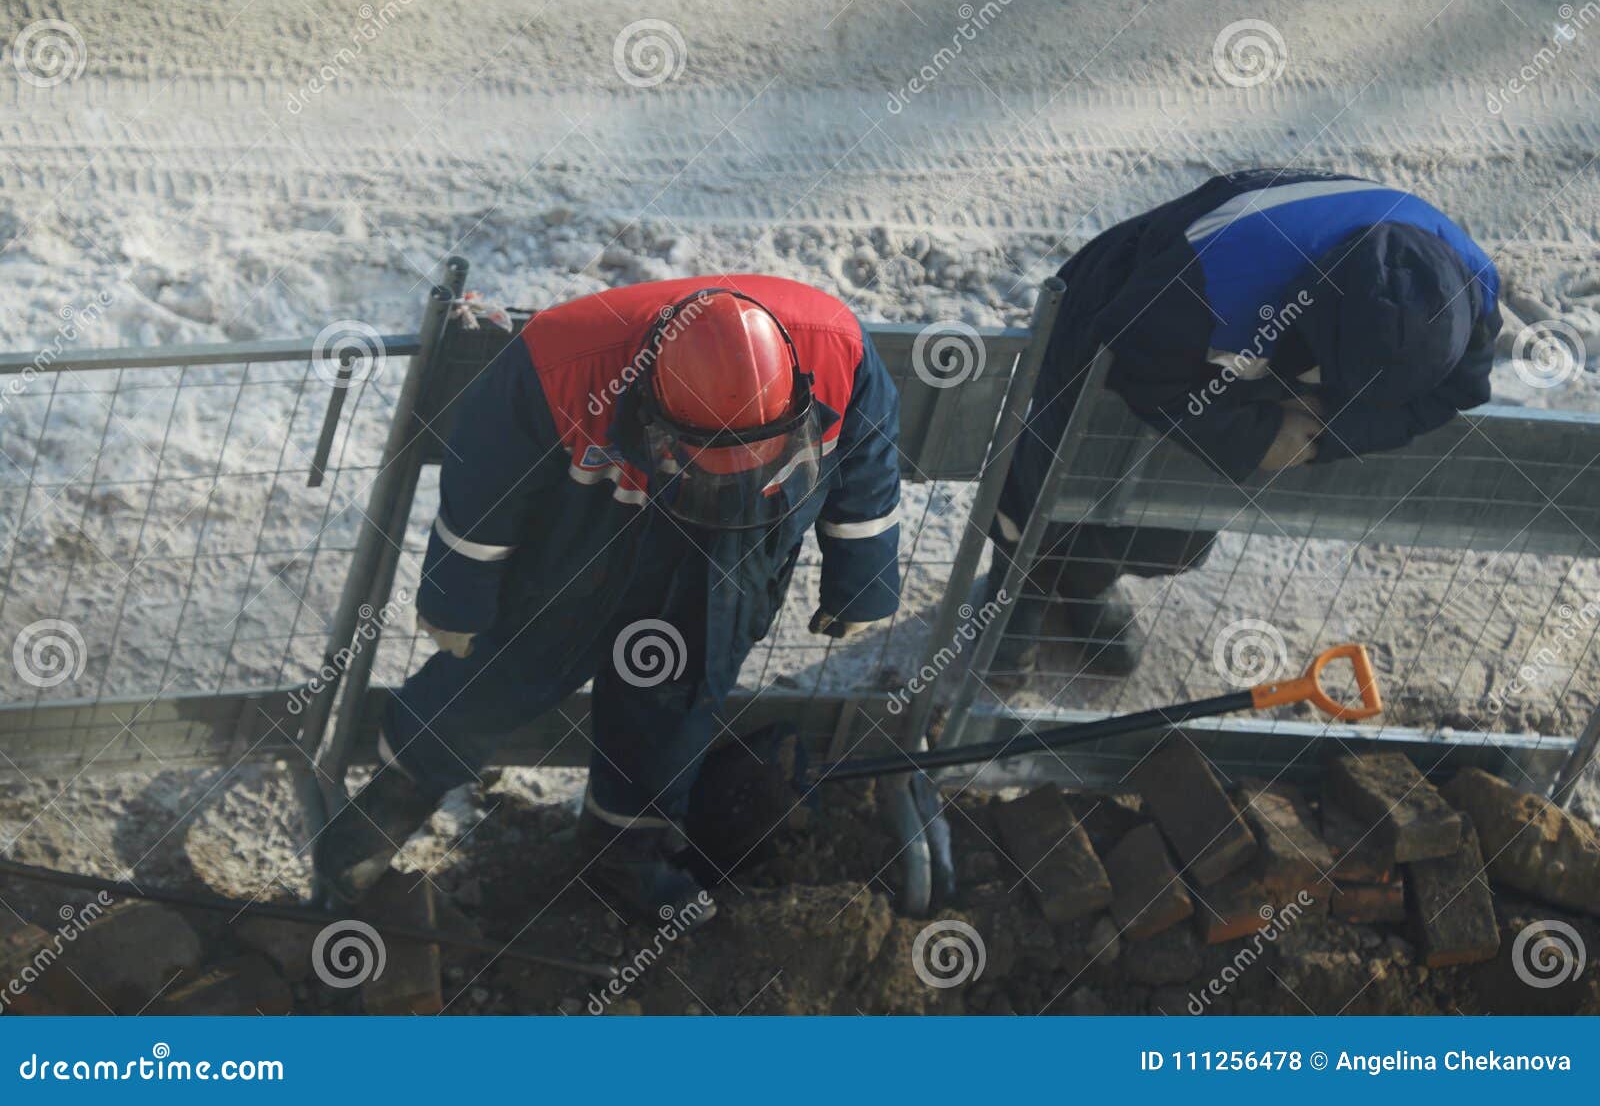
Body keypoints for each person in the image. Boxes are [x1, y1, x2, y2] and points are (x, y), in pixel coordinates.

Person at [314, 275, 903, 918]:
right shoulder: (558, 363)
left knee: (676, 692)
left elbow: (869, 467)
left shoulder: (838, 349)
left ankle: (622, 856)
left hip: (734, 549)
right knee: (507, 664)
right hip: (590, 530)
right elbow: (484, 490)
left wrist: (863, 581)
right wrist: (457, 601)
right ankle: (396, 797)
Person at [986, 168, 1500, 676]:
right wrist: (1256, 438)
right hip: (1120, 308)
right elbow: (1145, 371)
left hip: (1247, 346)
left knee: (1172, 519)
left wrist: (1329, 434)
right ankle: (1016, 589)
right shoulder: (1220, 272)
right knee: (1064, 461)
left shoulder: (1470, 290)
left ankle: (1085, 581)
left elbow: (1460, 390)